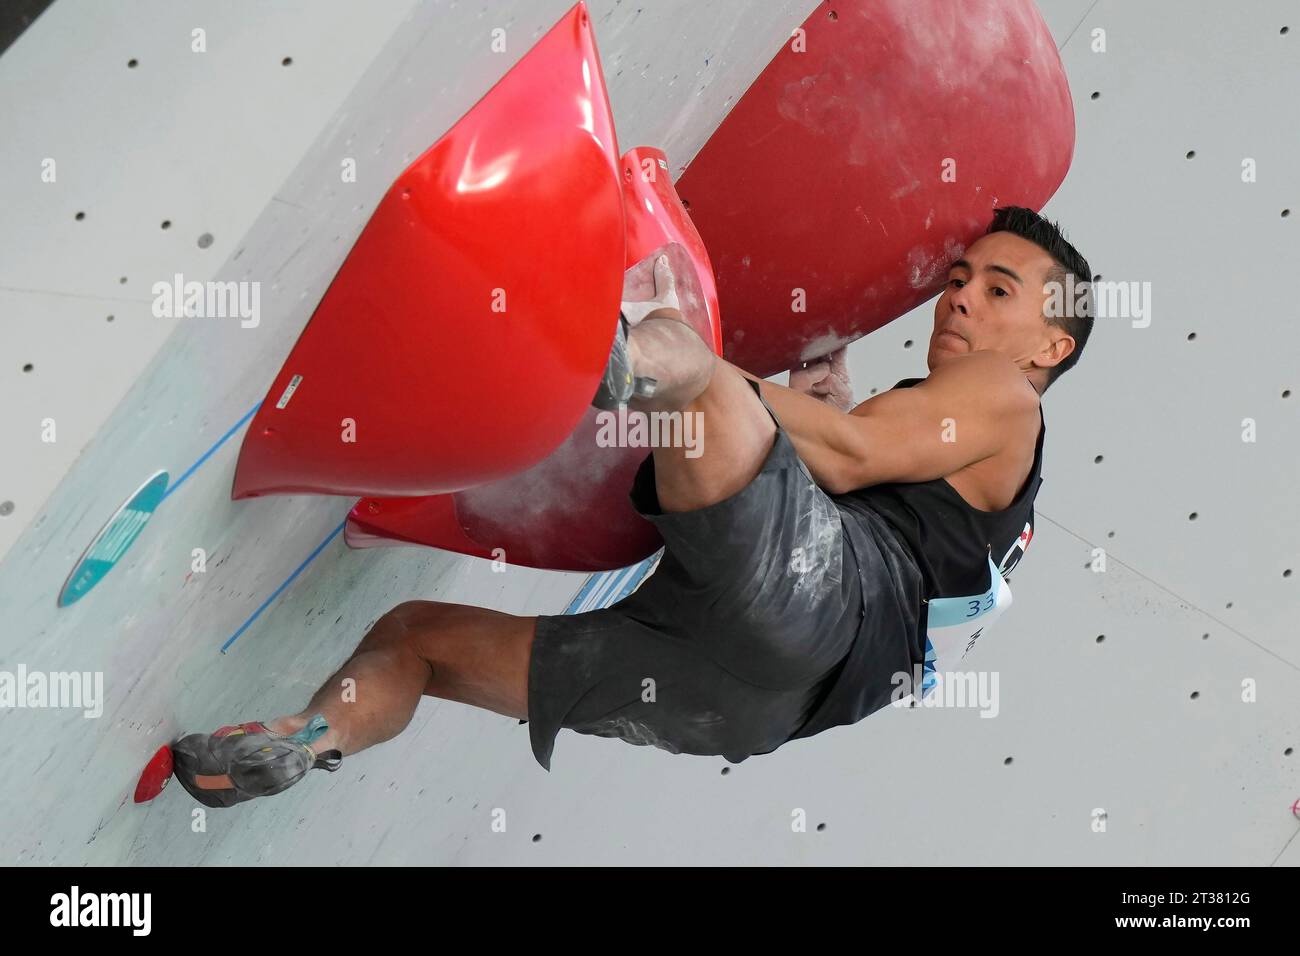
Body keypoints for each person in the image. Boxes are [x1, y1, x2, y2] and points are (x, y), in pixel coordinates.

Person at [171, 206, 1092, 807]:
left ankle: (604, 345)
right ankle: (302, 738)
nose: (959, 296)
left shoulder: (1006, 394)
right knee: (414, 637)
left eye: (996, 289)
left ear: (1051, 345)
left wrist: (764, 399)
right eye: (960, 277)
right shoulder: (1000, 486)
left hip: (813, 604)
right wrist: (815, 415)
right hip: (745, 705)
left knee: (692, 370)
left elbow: (848, 464)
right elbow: (870, 499)